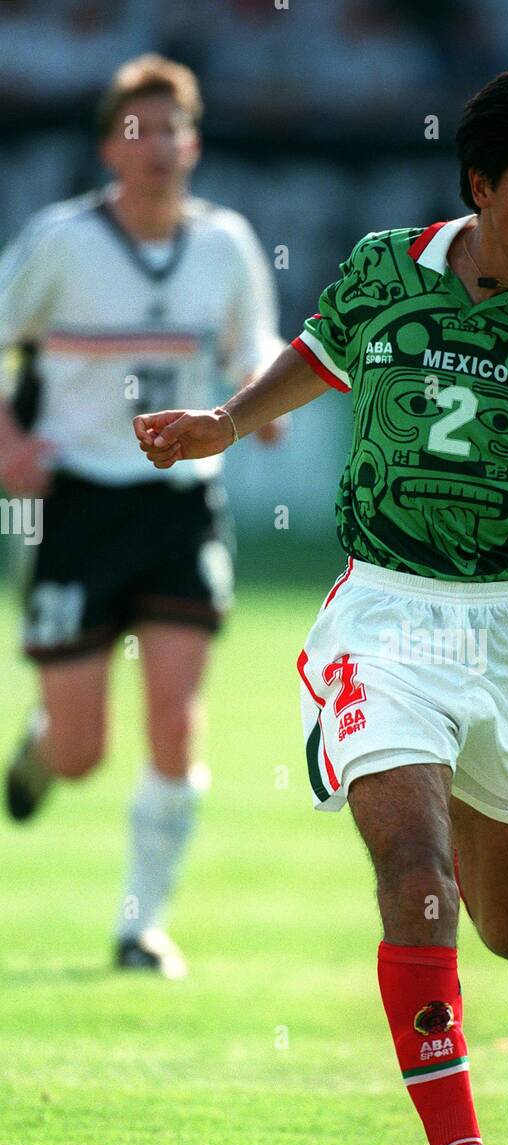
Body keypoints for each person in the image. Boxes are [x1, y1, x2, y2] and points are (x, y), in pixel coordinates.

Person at [134, 65, 508, 1145]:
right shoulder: (383, 270)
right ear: (479, 184)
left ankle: (453, 925)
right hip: (384, 613)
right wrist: (227, 422)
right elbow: (323, 350)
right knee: (417, 879)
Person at [0, 53, 282, 976]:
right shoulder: (60, 243)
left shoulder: (226, 245)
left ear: (193, 143)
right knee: (83, 750)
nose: (159, 146)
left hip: (178, 506)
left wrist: (259, 401)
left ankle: (140, 924)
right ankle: (43, 752)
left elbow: (256, 350)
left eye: (173, 129)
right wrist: (9, 440)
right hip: (77, 505)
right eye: (139, 131)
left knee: (176, 719)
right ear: (109, 151)